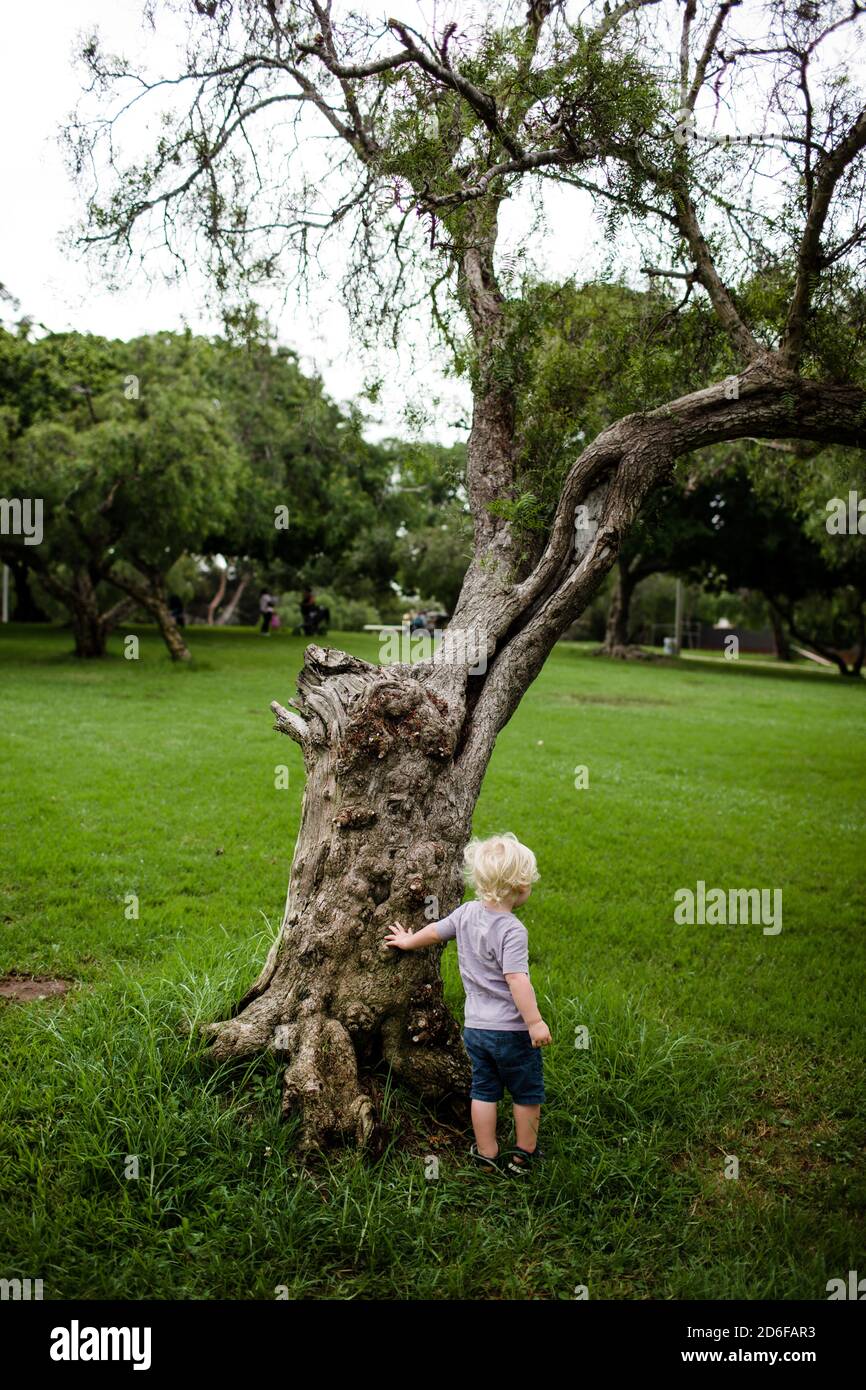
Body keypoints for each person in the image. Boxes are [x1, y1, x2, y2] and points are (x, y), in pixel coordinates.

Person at [384, 832, 550, 1175]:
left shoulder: (466, 914)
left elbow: (434, 932)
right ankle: (523, 1156)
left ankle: (486, 1153)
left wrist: (406, 940)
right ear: (520, 888)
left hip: (475, 1028)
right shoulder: (513, 930)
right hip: (512, 1031)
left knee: (484, 1090)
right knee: (526, 1093)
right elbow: (517, 979)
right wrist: (534, 1022)